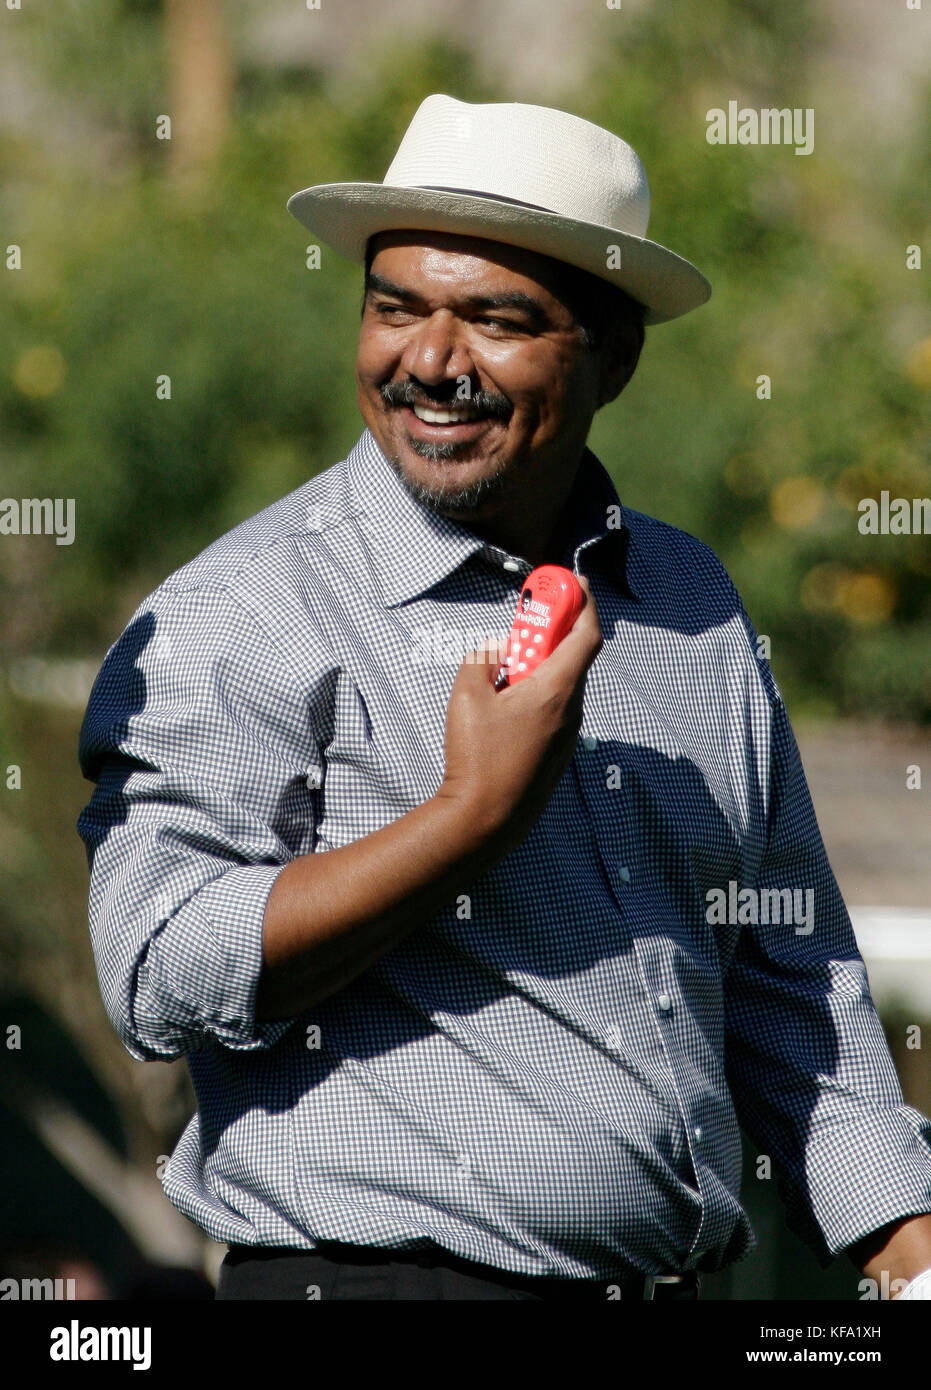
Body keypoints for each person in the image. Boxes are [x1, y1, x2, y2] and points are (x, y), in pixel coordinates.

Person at [76, 94, 931, 1302]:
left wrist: (906, 1246)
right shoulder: (246, 608)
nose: (431, 360)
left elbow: (791, 977)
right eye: (394, 309)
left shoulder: (689, 600)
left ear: (612, 355)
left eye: (495, 319)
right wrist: (467, 816)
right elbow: (154, 971)